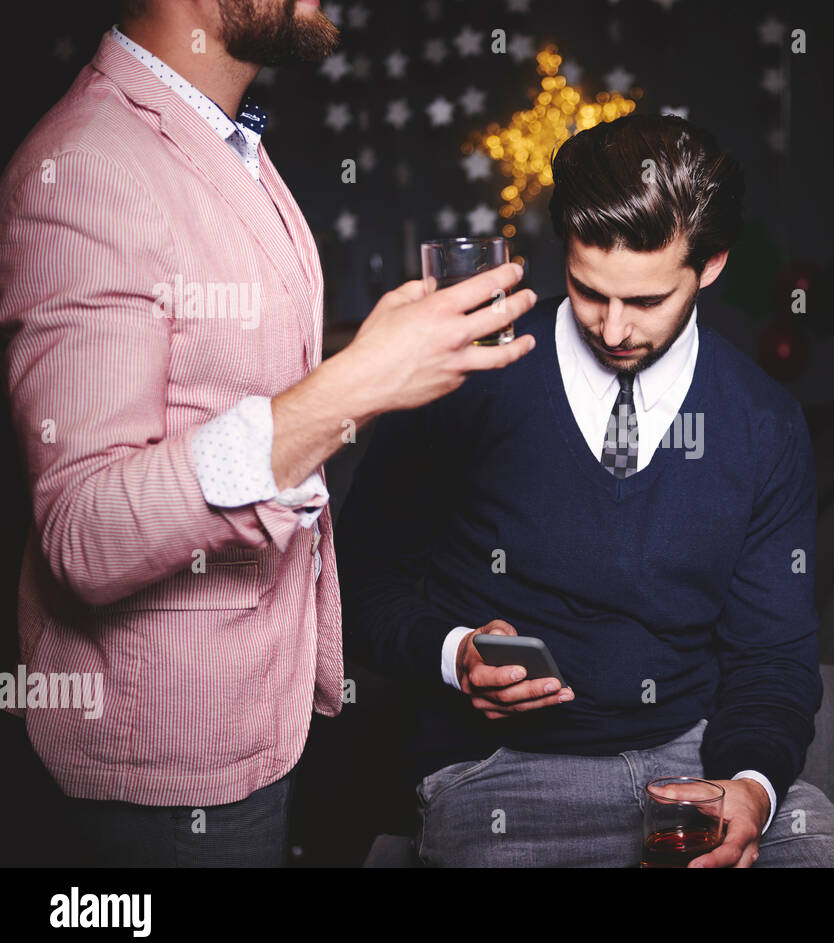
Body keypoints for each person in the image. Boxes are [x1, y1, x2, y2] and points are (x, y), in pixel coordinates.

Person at [0, 0, 536, 866]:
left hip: (262, 721)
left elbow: (219, 380)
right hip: (163, 765)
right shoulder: (88, 165)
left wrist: (370, 367)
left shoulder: (220, 139)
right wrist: (352, 387)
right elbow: (83, 528)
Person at [339, 113, 834, 868]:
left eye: (648, 300)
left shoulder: (764, 423)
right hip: (498, 772)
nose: (615, 328)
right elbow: (359, 575)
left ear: (713, 263)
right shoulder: (464, 381)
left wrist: (751, 788)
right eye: (589, 291)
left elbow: (772, 656)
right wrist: (452, 652)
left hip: (699, 761)